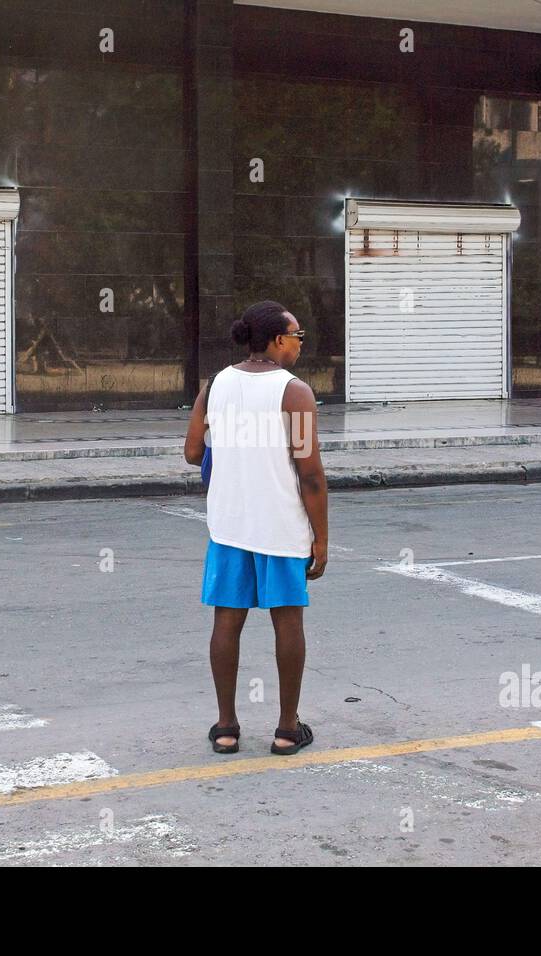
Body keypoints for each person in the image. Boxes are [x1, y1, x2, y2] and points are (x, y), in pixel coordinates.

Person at [184, 300, 329, 756]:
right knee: (287, 621)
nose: (301, 346)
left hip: (228, 525)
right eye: (298, 337)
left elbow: (191, 452)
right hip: (281, 526)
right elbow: (310, 474)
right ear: (278, 339)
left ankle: (226, 727)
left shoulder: (215, 386)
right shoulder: (295, 393)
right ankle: (287, 729)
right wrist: (321, 537)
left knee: (227, 620)